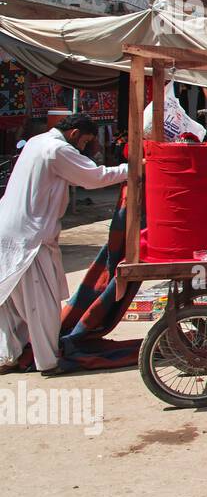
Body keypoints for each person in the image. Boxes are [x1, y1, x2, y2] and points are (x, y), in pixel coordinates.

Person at [0, 114, 127, 374]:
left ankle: (8, 356)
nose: (83, 148)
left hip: (13, 230)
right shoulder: (57, 149)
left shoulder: (37, 142)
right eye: (86, 142)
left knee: (11, 302)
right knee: (41, 302)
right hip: (30, 237)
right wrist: (134, 167)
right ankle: (48, 360)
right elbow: (94, 178)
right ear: (74, 134)